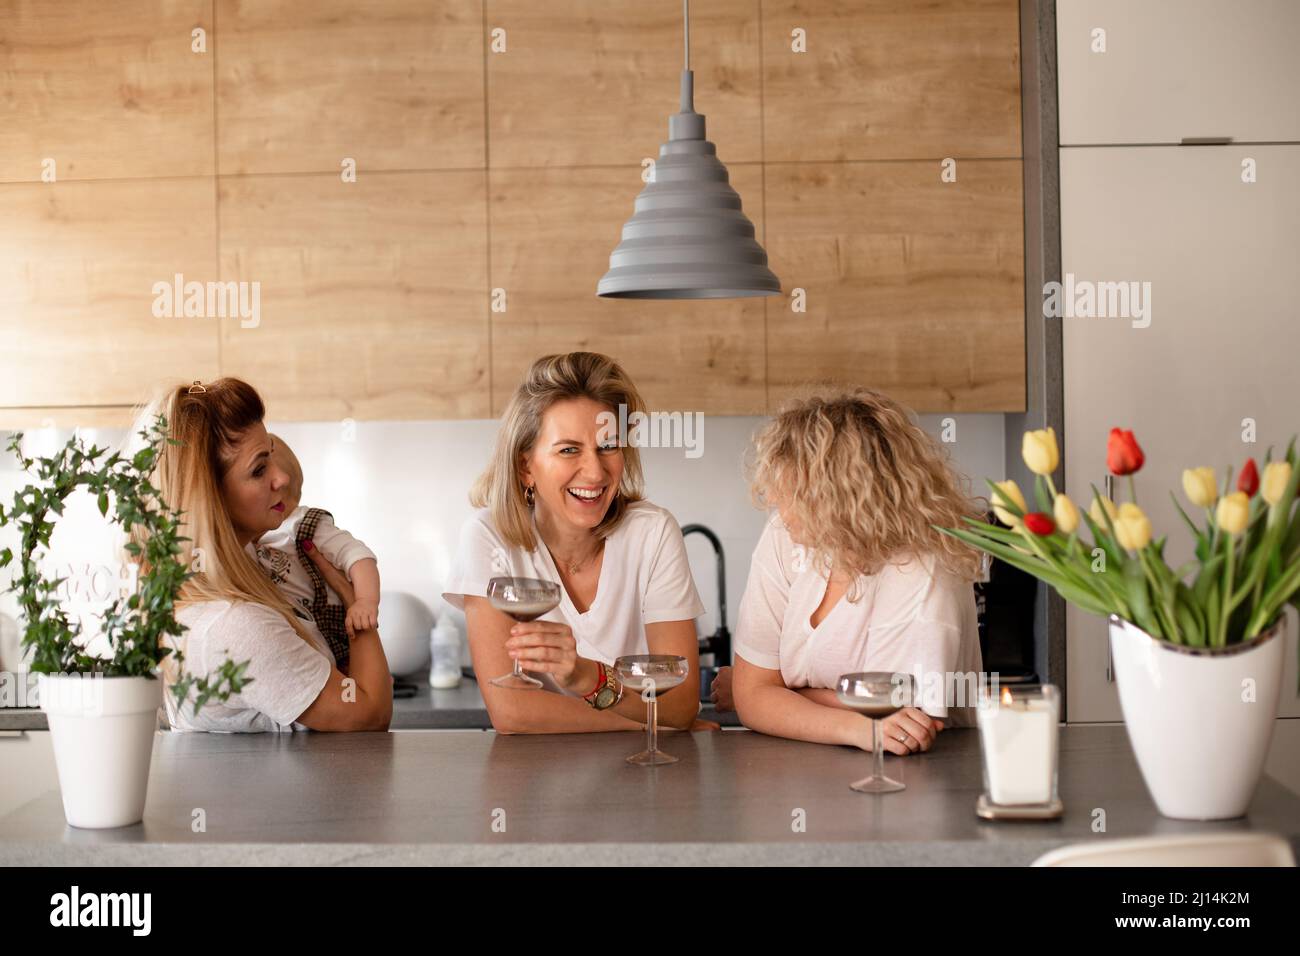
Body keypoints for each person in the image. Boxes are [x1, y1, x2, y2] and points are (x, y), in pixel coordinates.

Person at [443, 352, 709, 733]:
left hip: (639, 778)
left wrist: (588, 678)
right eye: (569, 449)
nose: (595, 471)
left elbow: (680, 703)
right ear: (525, 467)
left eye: (608, 446)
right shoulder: (488, 536)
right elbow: (512, 712)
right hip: (537, 781)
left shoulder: (652, 533)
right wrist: (649, 725)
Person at [716, 387, 984, 755]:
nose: (774, 499)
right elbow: (752, 698)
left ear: (839, 495)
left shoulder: (922, 571)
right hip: (809, 771)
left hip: (922, 775)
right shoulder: (785, 535)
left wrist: (779, 692)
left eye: (789, 487)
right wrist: (852, 723)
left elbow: (902, 722)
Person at [131, 378, 392, 732]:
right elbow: (370, 714)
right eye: (259, 469)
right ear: (210, 500)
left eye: (270, 454)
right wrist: (353, 605)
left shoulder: (244, 562)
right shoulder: (235, 626)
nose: (281, 477)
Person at [252, 434, 381, 671]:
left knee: (355, 680)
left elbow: (359, 556)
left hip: (331, 628)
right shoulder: (251, 540)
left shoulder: (305, 524)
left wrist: (364, 601)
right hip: (297, 635)